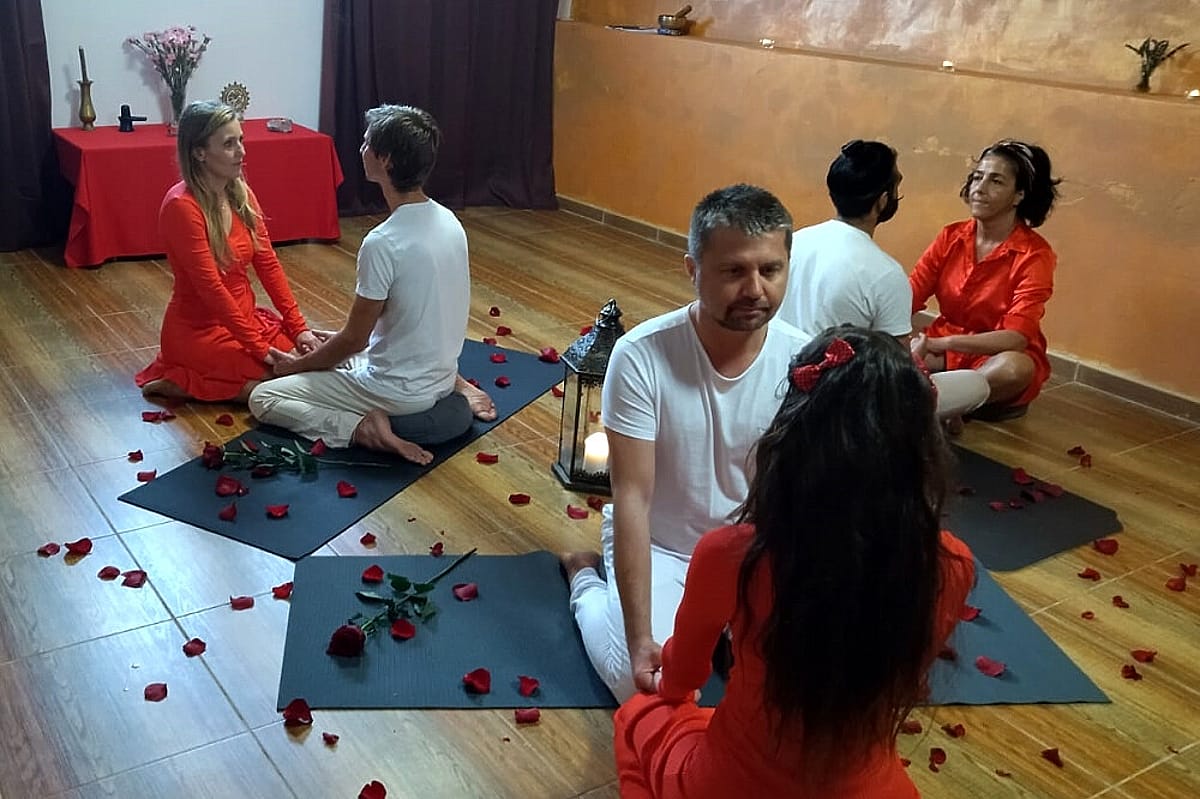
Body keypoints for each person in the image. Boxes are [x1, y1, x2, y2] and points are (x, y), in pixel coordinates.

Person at [613, 327, 977, 798]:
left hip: (732, 783)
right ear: (918, 450)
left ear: (794, 435)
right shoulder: (951, 564)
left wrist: (674, 696)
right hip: (869, 787)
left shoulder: (733, 552)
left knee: (636, 716)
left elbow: (682, 677)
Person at [560, 184, 809, 702]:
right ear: (693, 270)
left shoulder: (803, 357)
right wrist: (639, 640)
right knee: (641, 686)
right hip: (664, 545)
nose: (756, 289)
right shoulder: (641, 356)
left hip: (756, 549)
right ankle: (585, 581)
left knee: (811, 681)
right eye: (734, 271)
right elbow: (633, 498)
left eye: (770, 270)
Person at [248, 104, 492, 464]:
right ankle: (454, 384)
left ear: (386, 160)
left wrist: (296, 367)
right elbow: (404, 317)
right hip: (436, 378)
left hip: (395, 392)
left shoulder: (382, 242)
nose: (360, 150)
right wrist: (332, 345)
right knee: (329, 343)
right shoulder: (448, 220)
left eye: (366, 144)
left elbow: (355, 339)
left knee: (263, 398)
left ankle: (359, 429)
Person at [779, 139, 989, 420]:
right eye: (896, 186)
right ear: (882, 201)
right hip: (842, 402)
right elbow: (894, 374)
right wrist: (917, 354)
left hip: (777, 380)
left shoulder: (795, 240)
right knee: (976, 384)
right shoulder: (885, 273)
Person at [136, 101, 319, 402]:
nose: (242, 152)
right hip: (199, 332)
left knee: (306, 361)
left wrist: (299, 329)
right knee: (276, 383)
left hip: (244, 319)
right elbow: (211, 289)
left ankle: (202, 382)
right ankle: (182, 381)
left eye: (241, 141)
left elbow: (268, 263)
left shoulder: (241, 192)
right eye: (229, 144)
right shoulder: (181, 206)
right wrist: (260, 350)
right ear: (199, 152)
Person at [910, 139, 1061, 419]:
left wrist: (945, 343)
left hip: (995, 357)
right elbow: (909, 296)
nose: (979, 188)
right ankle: (949, 404)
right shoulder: (950, 236)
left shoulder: (1035, 254)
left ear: (1019, 195)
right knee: (885, 348)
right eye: (977, 177)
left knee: (1015, 368)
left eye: (996, 181)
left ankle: (942, 404)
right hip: (942, 348)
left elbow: (1015, 339)